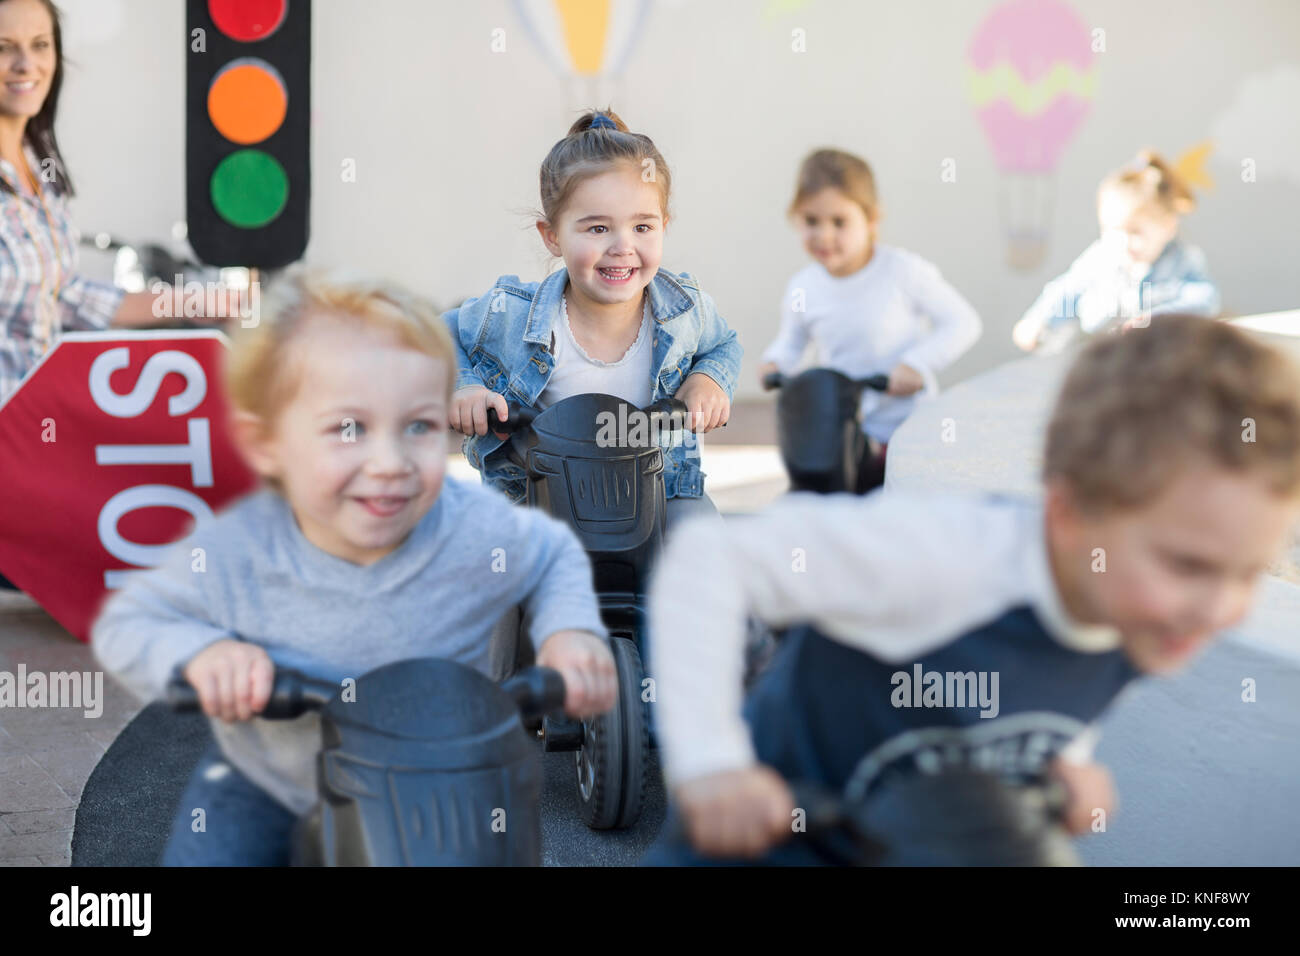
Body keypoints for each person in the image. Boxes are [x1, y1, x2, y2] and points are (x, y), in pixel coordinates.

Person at [644, 316, 1300, 864]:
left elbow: (1046, 687)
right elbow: (710, 558)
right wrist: (711, 765)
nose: (1220, 609)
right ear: (1071, 516)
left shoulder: (1138, 615)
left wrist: (1065, 764)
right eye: (1188, 566)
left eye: (1249, 572)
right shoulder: (948, 558)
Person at [92, 269, 617, 866]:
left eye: (416, 427)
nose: (388, 461)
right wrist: (204, 656)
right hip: (279, 781)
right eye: (349, 429)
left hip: (435, 770)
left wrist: (569, 632)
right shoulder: (244, 545)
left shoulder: (465, 523)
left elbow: (551, 555)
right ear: (268, 444)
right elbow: (132, 621)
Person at [444, 108, 742, 532]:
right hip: (537, 497)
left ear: (664, 226)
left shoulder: (684, 311)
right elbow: (439, 335)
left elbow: (725, 343)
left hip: (662, 494)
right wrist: (465, 386)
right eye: (598, 229)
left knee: (702, 548)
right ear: (552, 235)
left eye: (643, 227)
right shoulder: (512, 313)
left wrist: (709, 378)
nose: (623, 246)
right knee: (488, 564)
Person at [0, 0, 238, 405]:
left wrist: (190, 302)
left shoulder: (39, 168)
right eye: (3, 47)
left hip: (42, 422)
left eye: (40, 45)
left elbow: (63, 299)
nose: (26, 64)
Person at [756, 148, 982, 492]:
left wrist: (916, 364)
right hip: (845, 430)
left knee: (904, 513)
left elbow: (963, 323)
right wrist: (775, 362)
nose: (824, 235)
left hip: (909, 430)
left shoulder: (902, 272)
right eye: (811, 221)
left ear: (872, 219)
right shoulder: (803, 288)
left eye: (839, 222)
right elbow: (792, 342)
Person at [1012, 150, 1221, 354]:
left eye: (1135, 232)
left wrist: (1158, 319)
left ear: (1168, 226)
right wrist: (1039, 320)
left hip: (1158, 359)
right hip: (1100, 355)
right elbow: (1067, 291)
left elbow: (1205, 299)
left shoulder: (1180, 262)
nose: (1123, 241)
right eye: (1111, 230)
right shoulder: (1101, 258)